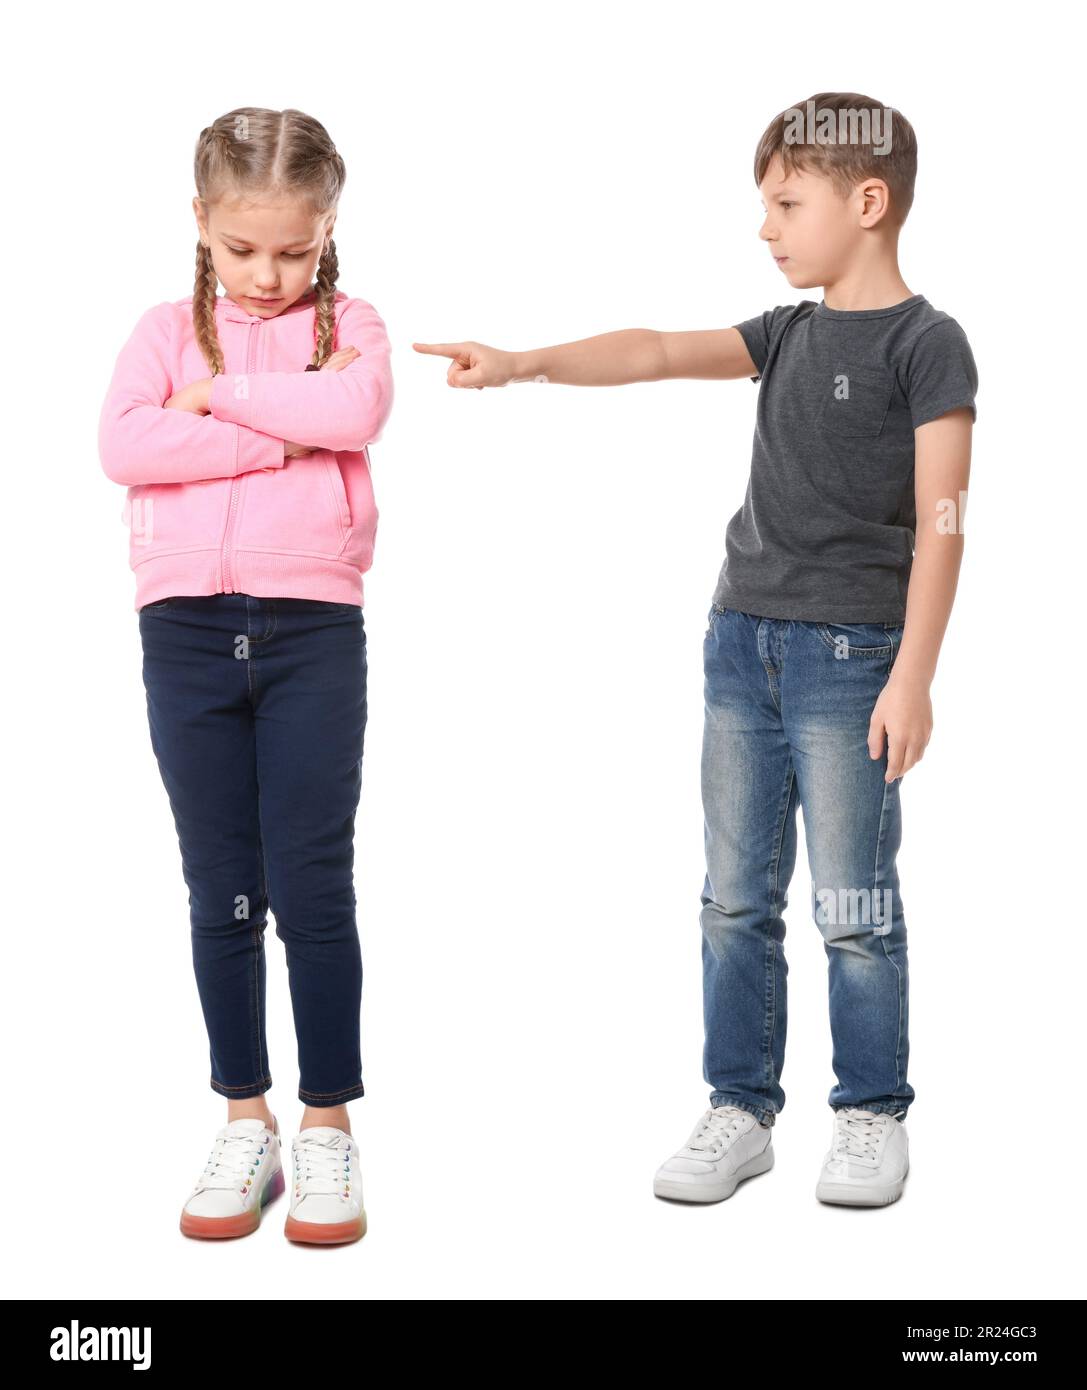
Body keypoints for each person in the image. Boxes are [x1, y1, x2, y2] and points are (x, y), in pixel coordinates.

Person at [414, 91, 978, 1208]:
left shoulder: (927, 344)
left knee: (853, 906)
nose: (765, 227)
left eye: (783, 202)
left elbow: (945, 516)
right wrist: (524, 361)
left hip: (850, 662)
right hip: (740, 648)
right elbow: (658, 348)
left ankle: (870, 1113)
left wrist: (912, 671)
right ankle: (739, 1106)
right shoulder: (789, 332)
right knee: (732, 898)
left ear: (866, 203)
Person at [98, 107, 393, 1244]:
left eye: (296, 251)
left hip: (312, 627)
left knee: (311, 883)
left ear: (328, 232)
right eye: (243, 250)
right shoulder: (163, 328)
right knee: (221, 882)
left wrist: (215, 401)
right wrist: (284, 434)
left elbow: (356, 407)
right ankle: (245, 1115)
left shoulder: (350, 323)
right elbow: (123, 444)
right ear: (201, 226)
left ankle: (327, 1127)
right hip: (182, 628)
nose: (269, 276)